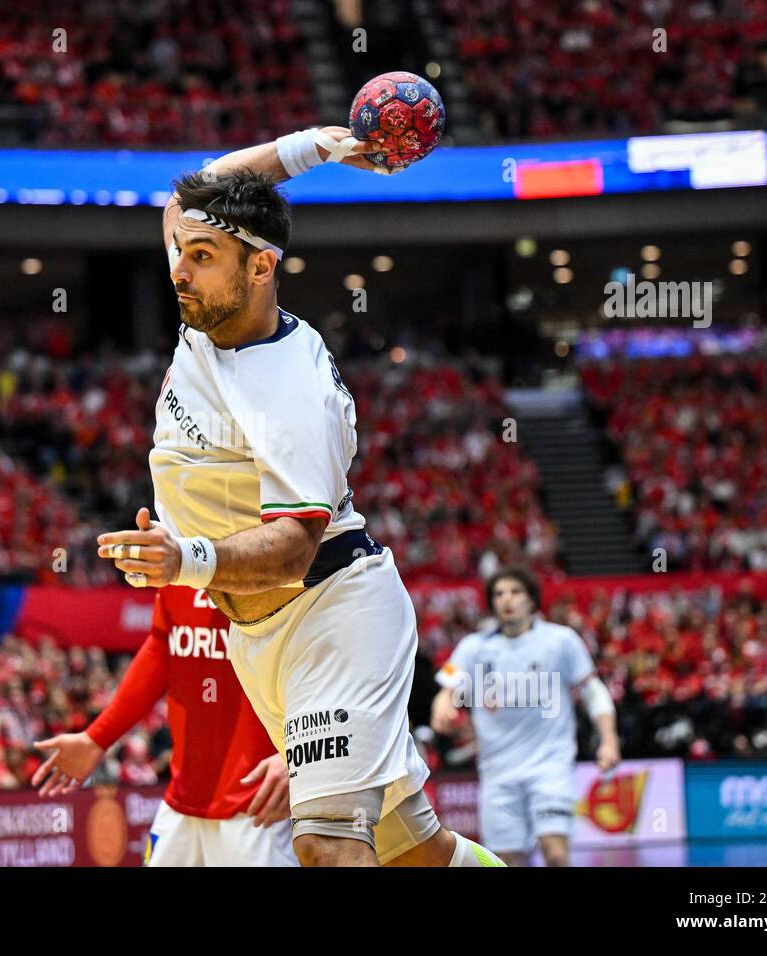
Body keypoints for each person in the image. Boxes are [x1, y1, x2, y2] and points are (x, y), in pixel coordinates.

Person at [95, 127, 502, 867]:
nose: (178, 268)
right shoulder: (209, 310)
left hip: (331, 611)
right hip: (258, 636)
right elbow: (196, 189)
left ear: (261, 266)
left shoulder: (293, 391)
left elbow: (291, 550)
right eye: (181, 251)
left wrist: (184, 560)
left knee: (324, 845)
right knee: (415, 851)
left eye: (200, 256)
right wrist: (318, 147)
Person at [32, 585, 297, 865]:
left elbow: (319, 653)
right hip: (184, 797)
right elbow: (161, 644)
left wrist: (293, 754)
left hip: (261, 802)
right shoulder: (176, 569)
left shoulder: (283, 564)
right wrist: (97, 738)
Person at [430, 567, 620, 867]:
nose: (507, 599)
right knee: (506, 861)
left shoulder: (561, 641)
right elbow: (448, 685)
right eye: (499, 594)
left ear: (531, 600)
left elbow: (593, 691)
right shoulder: (473, 647)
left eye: (515, 592)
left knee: (555, 852)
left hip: (550, 766)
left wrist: (609, 740)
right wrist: (442, 705)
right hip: (497, 772)